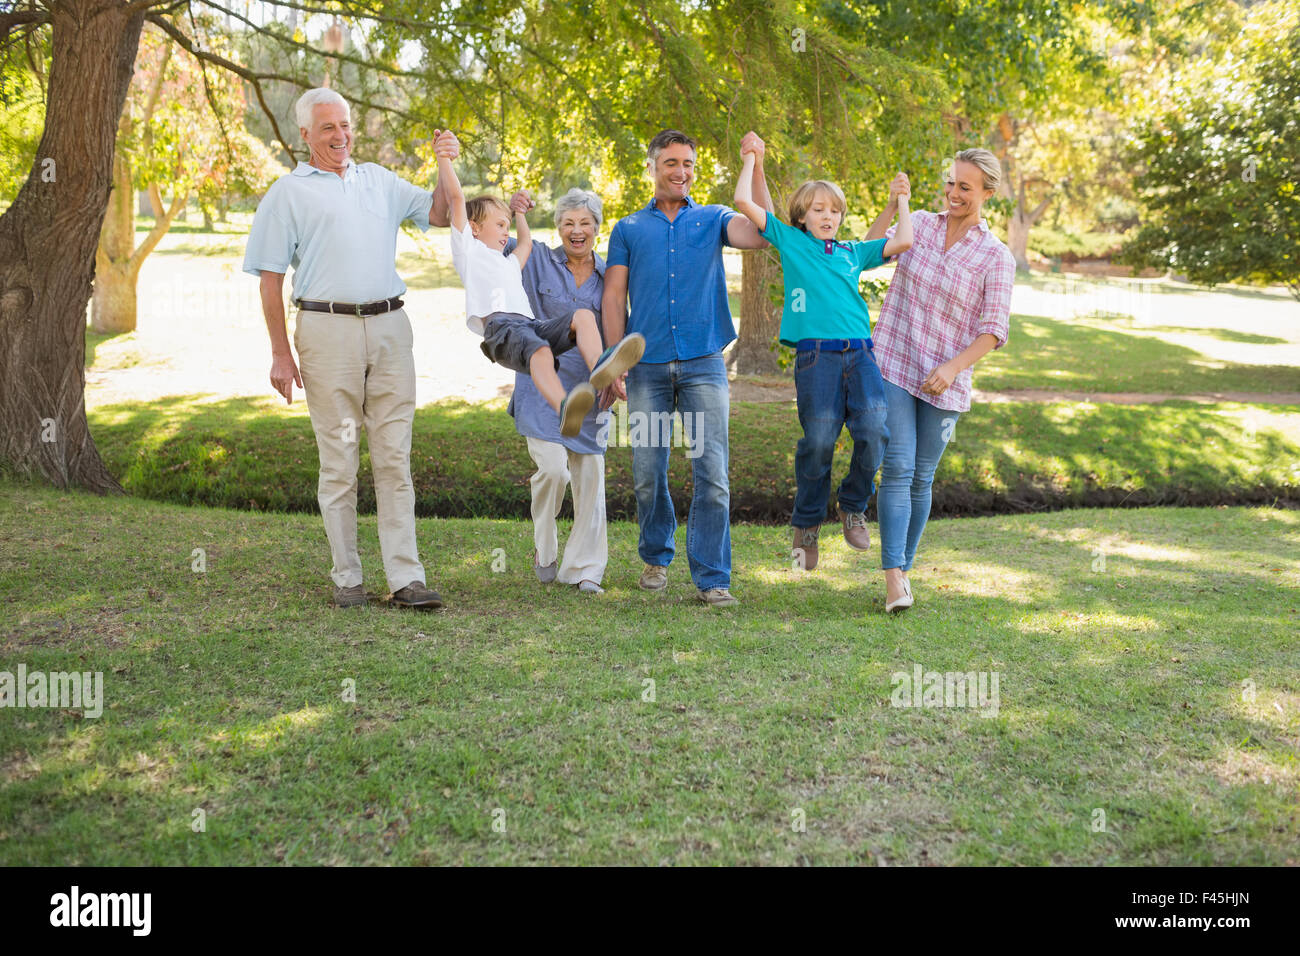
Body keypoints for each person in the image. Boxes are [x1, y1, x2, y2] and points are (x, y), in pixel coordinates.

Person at [243, 87, 451, 610]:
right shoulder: (287, 193)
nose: (340, 135)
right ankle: (347, 580)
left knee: (394, 460)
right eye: (328, 127)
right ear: (305, 135)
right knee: (339, 463)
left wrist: (445, 163)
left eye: (346, 125)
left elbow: (441, 213)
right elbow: (269, 282)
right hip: (324, 332)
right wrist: (279, 354)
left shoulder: (378, 181)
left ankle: (406, 579)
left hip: (389, 330)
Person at [602, 129, 774, 608]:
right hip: (647, 369)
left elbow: (763, 232)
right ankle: (657, 556)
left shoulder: (715, 219)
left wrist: (755, 162)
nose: (681, 172)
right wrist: (615, 360)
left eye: (689, 164)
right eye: (672, 163)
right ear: (654, 167)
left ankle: (713, 576)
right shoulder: (629, 228)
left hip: (703, 363)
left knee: (712, 474)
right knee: (646, 472)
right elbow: (614, 296)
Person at [733, 144, 913, 571]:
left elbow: (901, 240)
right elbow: (743, 201)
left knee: (874, 430)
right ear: (802, 218)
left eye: (834, 210)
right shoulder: (792, 242)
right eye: (817, 210)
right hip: (817, 360)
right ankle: (807, 522)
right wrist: (750, 161)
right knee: (818, 442)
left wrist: (899, 201)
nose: (827, 216)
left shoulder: (853, 252)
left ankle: (852, 506)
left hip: (861, 357)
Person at [865, 149, 1015, 612]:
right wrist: (894, 205)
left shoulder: (996, 256)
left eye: (964, 187)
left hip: (946, 380)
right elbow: (865, 255)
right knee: (899, 467)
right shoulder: (921, 225)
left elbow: (993, 330)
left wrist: (952, 367)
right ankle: (893, 580)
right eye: (950, 183)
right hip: (894, 358)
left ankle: (903, 571)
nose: (952, 193)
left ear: (987, 193)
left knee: (922, 478)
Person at [435, 150, 645, 438]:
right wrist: (444, 159)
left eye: (505, 227)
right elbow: (457, 199)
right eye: (499, 225)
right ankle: (564, 407)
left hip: (528, 325)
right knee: (540, 351)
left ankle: (602, 367)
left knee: (583, 317)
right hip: (501, 328)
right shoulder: (468, 251)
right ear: (473, 228)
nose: (503, 232)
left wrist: (519, 214)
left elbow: (525, 244)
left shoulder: (508, 262)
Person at [505, 188, 612, 594]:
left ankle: (584, 570)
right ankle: (544, 546)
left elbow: (616, 324)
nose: (576, 231)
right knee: (553, 470)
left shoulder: (610, 274)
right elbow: (491, 238)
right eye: (568, 223)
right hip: (542, 386)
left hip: (589, 389)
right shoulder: (536, 259)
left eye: (585, 223)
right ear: (558, 228)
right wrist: (514, 209)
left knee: (591, 479)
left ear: (597, 228)